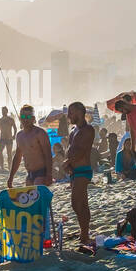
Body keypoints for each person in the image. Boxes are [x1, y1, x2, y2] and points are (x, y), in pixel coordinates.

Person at [63, 101, 96, 255]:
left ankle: (85, 234)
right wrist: (68, 164)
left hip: (83, 169)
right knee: (81, 203)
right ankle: (84, 234)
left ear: (80, 113)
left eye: (71, 112)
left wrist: (68, 162)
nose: (69, 115)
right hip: (74, 171)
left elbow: (82, 150)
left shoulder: (88, 129)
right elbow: (70, 149)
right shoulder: (73, 131)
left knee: (76, 203)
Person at [9, 105, 53, 187]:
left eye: (28, 116)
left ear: (33, 118)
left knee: (38, 198)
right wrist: (11, 177)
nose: (25, 119)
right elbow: (17, 157)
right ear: (20, 118)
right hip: (29, 174)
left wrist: (49, 175)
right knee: (30, 198)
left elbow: (48, 155)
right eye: (23, 116)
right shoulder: (19, 135)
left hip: (41, 172)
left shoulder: (40, 133)